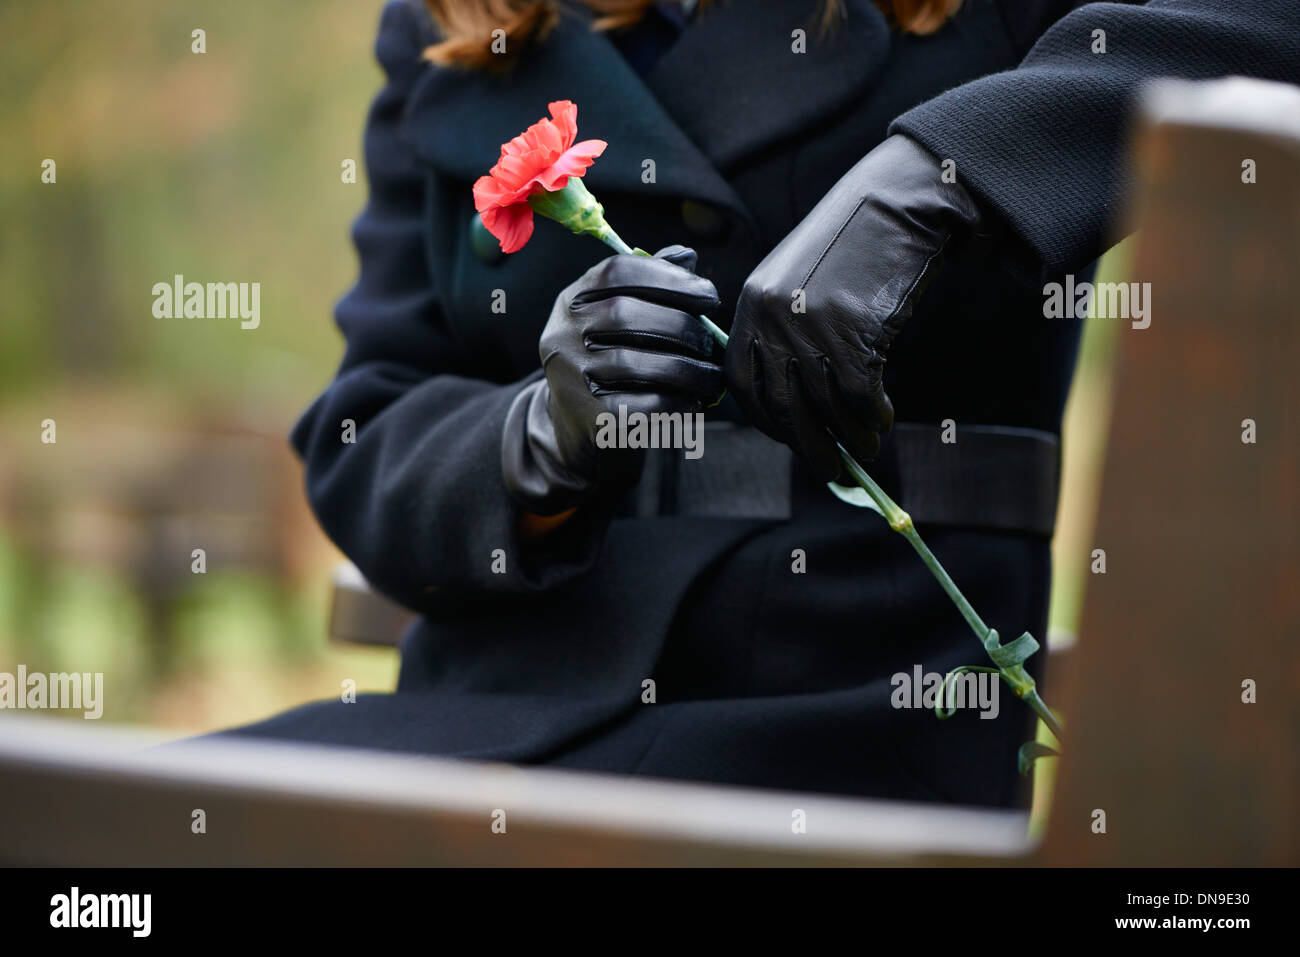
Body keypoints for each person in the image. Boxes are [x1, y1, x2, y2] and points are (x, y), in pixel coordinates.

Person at [220, 0, 1300, 805]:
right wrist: (536, 435)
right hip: (495, 700)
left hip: (856, 710)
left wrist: (946, 175)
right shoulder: (459, 24)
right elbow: (369, 427)